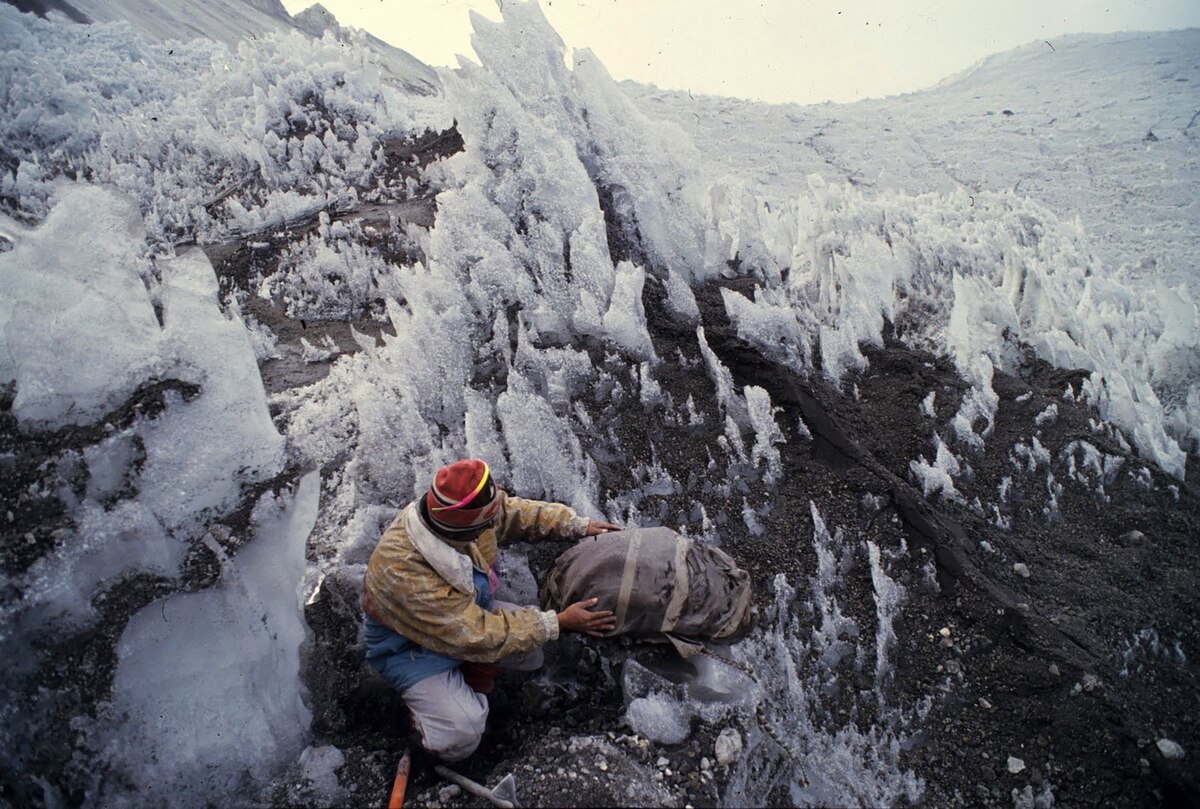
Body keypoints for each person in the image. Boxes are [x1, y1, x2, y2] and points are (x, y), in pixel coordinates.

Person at [361, 458, 620, 761]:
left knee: (531, 654)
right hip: (409, 648)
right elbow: (475, 634)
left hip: (463, 616)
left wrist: (576, 525)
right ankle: (424, 728)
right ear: (461, 530)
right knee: (462, 733)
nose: (493, 524)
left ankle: (471, 676)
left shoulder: (457, 517)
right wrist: (558, 622)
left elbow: (510, 513)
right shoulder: (404, 572)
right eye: (485, 524)